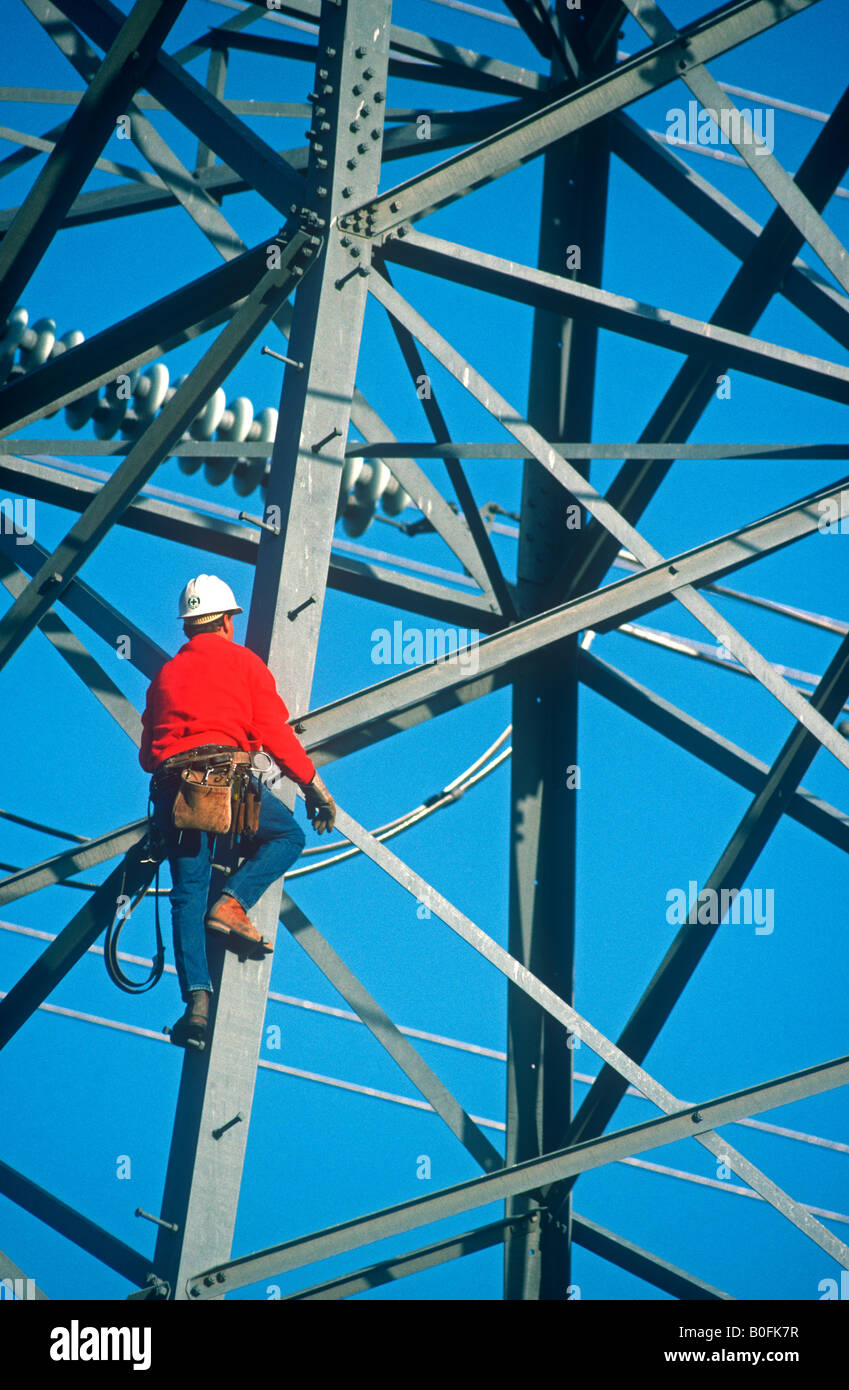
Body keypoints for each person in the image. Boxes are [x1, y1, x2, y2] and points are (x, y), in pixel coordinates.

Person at [139, 574, 336, 1047]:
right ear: (227, 621)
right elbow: (274, 731)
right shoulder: (244, 664)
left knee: (187, 892)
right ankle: (232, 904)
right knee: (287, 836)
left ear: (189, 626)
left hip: (176, 793)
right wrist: (314, 788)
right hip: (228, 783)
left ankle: (197, 1006)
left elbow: (148, 755)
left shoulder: (164, 676)